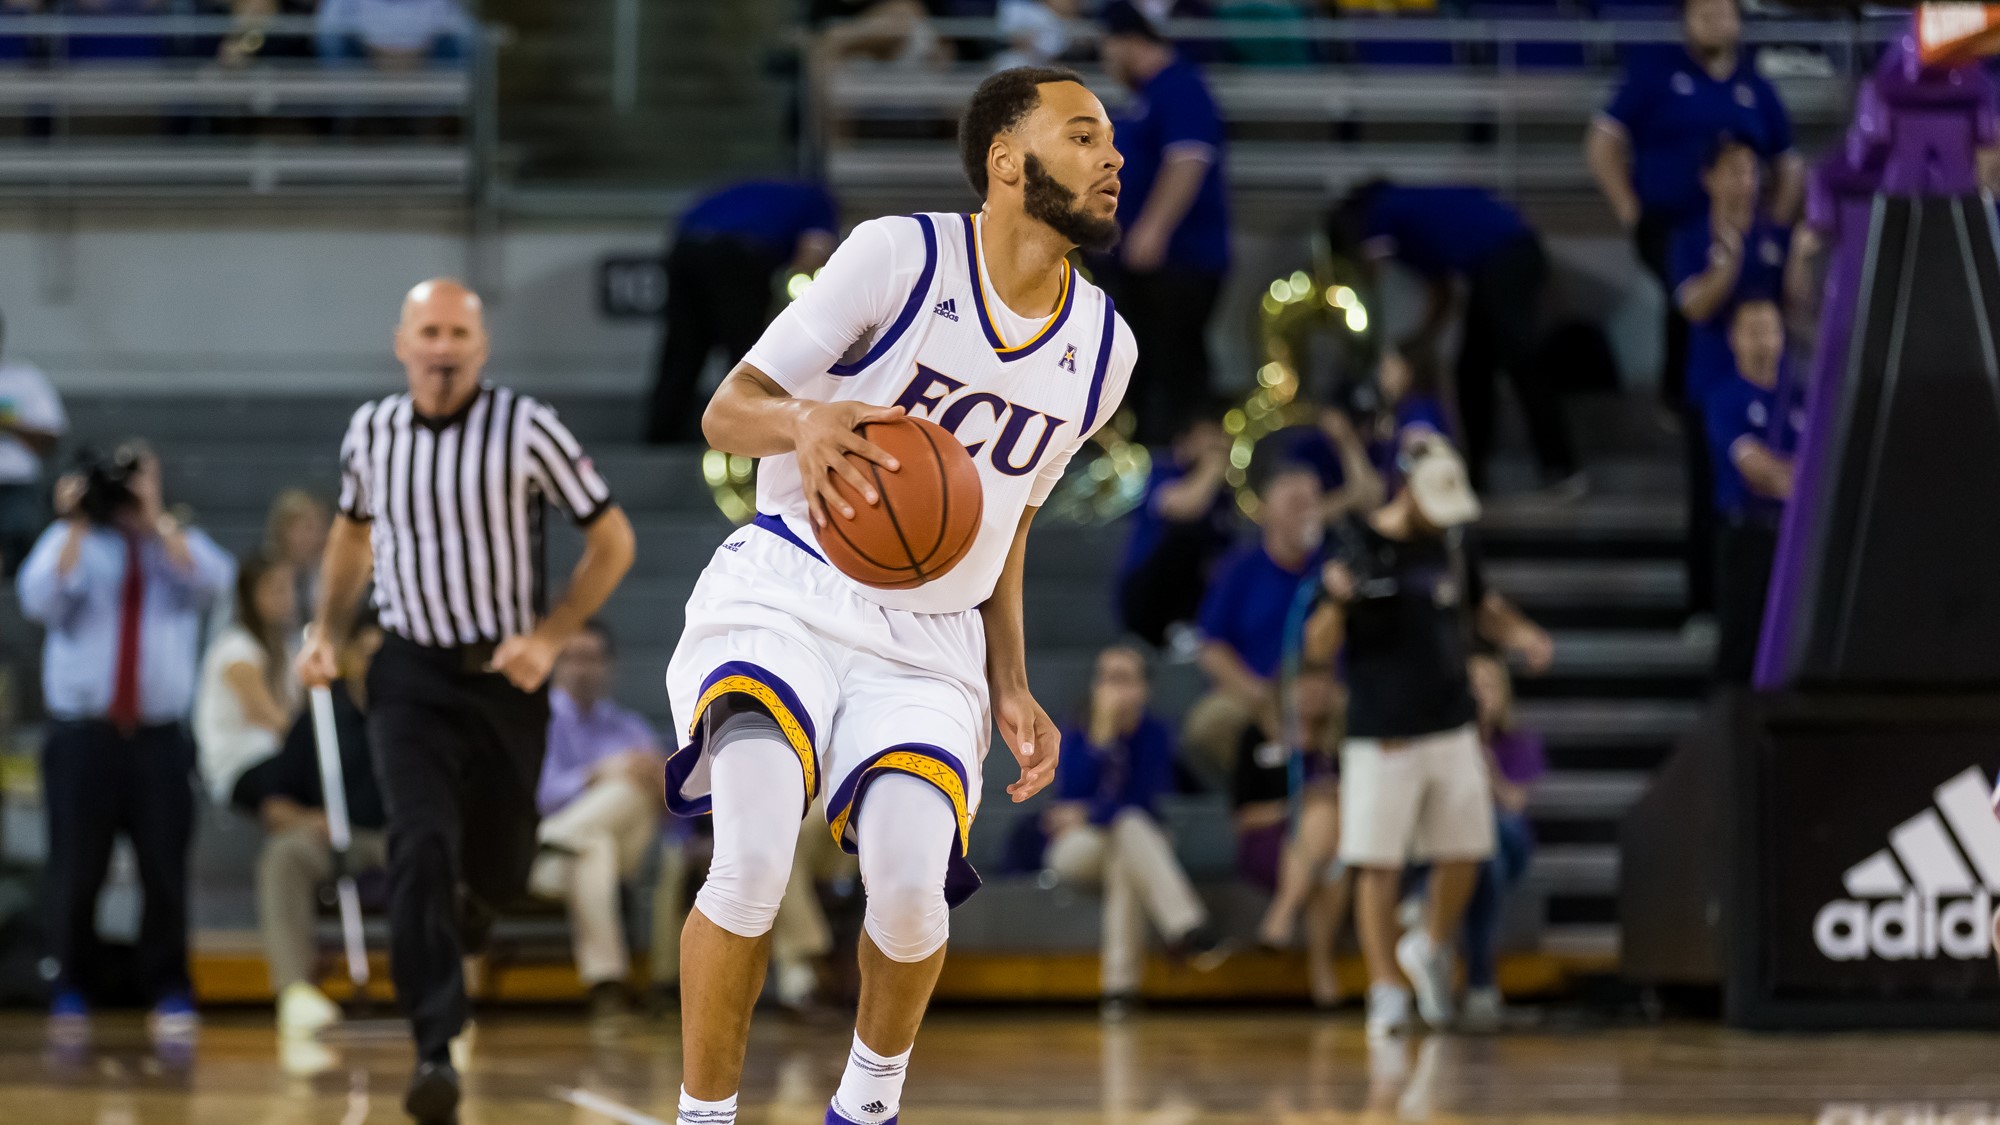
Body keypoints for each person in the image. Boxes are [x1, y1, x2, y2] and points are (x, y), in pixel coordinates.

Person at [664, 66, 1133, 1125]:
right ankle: (703, 1117)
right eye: (1083, 135)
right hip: (790, 584)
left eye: (1111, 140)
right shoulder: (897, 255)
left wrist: (1008, 680)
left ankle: (864, 1108)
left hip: (931, 639)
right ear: (1008, 162)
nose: (1112, 158)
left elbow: (1009, 515)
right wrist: (802, 424)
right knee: (748, 847)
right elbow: (726, 410)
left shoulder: (1106, 348)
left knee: (915, 894)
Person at [295, 278, 636, 1124]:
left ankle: (482, 904)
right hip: (409, 671)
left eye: (457, 333)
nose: (442, 347)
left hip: (505, 674)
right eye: (429, 332)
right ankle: (434, 1045)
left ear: (480, 348)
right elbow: (350, 533)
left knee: (502, 856)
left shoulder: (527, 428)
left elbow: (612, 538)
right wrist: (325, 630)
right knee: (418, 842)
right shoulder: (371, 432)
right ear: (402, 342)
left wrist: (553, 636)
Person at [1306, 434, 1551, 1036]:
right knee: (1379, 862)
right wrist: (1337, 603)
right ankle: (1385, 985)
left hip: (1452, 721)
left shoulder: (1453, 541)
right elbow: (1317, 646)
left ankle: (1430, 942)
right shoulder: (1359, 542)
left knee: (1468, 846)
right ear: (1406, 489)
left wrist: (1522, 635)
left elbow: (1481, 604)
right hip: (1383, 732)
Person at [16, 441, 234, 1043]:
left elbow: (216, 582)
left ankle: (167, 987)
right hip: (84, 738)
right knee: (76, 868)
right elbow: (38, 598)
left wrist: (155, 516)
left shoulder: (173, 545)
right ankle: (70, 986)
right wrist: (75, 523)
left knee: (163, 868)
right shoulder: (75, 546)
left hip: (158, 740)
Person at [1586, 0, 1802, 415]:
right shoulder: (1655, 73)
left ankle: (1750, 401)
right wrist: (1630, 211)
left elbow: (1789, 164)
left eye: (1723, 13)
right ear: (1685, 21)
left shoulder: (1755, 88)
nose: (1714, 23)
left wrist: (1776, 223)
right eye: (1703, 14)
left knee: (1749, 301)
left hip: (1740, 224)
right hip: (1671, 221)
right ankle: (1683, 398)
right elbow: (1601, 142)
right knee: (1691, 290)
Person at [1329, 181, 1579, 494]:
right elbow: (1442, 293)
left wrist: (1394, 346)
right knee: (1472, 369)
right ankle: (1476, 476)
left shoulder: (1382, 212)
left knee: (1520, 359)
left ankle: (1560, 467)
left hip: (1509, 256)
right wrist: (1418, 341)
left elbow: (1370, 273)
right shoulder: (1411, 218)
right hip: (1496, 263)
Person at [230, 613, 389, 1038]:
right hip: (339, 837)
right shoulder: (320, 714)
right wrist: (306, 819)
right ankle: (295, 991)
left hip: (401, 837)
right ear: (350, 657)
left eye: (384, 656)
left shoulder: (413, 717)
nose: (374, 665)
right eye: (366, 654)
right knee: (285, 855)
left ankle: (447, 992)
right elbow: (274, 803)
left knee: (443, 852)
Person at [1045, 644, 1224, 1007]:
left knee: (1125, 853)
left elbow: (1145, 800)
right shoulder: (1078, 731)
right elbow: (1069, 793)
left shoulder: (1156, 735)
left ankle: (1119, 990)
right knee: (1126, 827)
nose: (1114, 688)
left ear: (1144, 689)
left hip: (1132, 842)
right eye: (1106, 678)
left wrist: (1090, 812)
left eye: (1124, 679)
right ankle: (1187, 924)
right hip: (1079, 848)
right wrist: (1103, 738)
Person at [1671, 133, 1790, 641]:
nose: (1745, 181)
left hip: (1771, 389)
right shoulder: (1690, 238)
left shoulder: (1774, 235)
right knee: (1709, 500)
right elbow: (1694, 305)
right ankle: (1703, 606)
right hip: (1713, 385)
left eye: (1751, 169)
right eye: (1733, 170)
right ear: (1709, 178)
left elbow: (1796, 305)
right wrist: (1727, 261)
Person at [1097, 0, 1229, 444]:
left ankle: (1178, 466)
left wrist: (1154, 229)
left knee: (1176, 372)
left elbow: (1188, 158)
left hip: (1181, 263)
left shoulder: (1180, 86)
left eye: (1108, 49)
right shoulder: (1149, 95)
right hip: (1151, 267)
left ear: (1128, 43)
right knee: (1149, 367)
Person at [526, 620, 665, 1022]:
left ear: (610, 667)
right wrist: (603, 771)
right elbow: (538, 796)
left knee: (635, 797)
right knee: (596, 846)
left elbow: (671, 808)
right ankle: (623, 989)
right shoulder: (539, 721)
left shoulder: (629, 726)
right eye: (572, 658)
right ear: (556, 664)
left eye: (592, 659)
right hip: (544, 864)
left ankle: (614, 990)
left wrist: (657, 781)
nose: (582, 668)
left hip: (622, 853)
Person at [646, 181, 841, 444]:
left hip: (686, 249)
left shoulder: (751, 193)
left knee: (683, 349)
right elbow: (814, 252)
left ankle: (662, 436)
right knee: (747, 354)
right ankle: (743, 437)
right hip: (739, 256)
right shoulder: (819, 202)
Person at [1184, 464, 1325, 773]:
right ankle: (1256, 801)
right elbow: (1211, 648)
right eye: (1295, 503)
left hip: (1322, 693)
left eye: (1313, 503)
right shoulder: (1239, 569)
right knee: (1210, 722)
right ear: (1269, 510)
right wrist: (1260, 695)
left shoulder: (1332, 569)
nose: (1308, 513)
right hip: (1254, 690)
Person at [1237, 668, 1351, 1009]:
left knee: (1330, 837)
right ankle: (1321, 970)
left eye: (1322, 682)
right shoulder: (1259, 737)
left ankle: (1282, 915)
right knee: (1323, 834)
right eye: (1306, 683)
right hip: (1268, 841)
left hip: (1331, 842)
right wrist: (1294, 807)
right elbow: (1242, 815)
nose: (1313, 692)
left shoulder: (1344, 742)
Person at [1703, 299, 1800, 683]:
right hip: (1747, 535)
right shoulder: (1724, 398)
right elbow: (1756, 471)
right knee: (1741, 644)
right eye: (1753, 330)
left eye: (1770, 329)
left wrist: (1790, 475)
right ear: (1735, 338)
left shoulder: (1801, 397)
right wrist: (1796, 475)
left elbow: (1826, 466)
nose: (1763, 340)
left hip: (1796, 535)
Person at [1458, 653, 1542, 1033]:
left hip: (1505, 843)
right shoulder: (1441, 747)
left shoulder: (1518, 741)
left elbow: (1516, 802)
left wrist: (1485, 766)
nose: (1480, 696)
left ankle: (1425, 908)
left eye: (1488, 687)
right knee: (1485, 868)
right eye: (1472, 687)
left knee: (1494, 831)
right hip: (1460, 852)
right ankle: (1481, 986)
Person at [1114, 404, 1237, 649]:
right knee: (1185, 534)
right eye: (1207, 437)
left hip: (1197, 596)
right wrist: (1212, 469)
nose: (1217, 445)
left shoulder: (1220, 493)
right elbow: (1181, 508)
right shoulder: (1164, 470)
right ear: (1185, 441)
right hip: (1144, 599)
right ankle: (1178, 624)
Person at [195, 553, 301, 807]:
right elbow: (268, 716)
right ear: (251, 596)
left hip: (273, 758)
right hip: (239, 764)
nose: (287, 598)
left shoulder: (287, 649)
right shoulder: (235, 649)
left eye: (289, 588)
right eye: (276, 589)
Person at [0, 310, 67, 575]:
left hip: (17, 484)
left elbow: (51, 437)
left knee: (21, 539)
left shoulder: (26, 379)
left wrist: (8, 425)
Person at [316, 0, 473, 68]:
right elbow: (329, 29)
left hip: (427, 66)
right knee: (331, 36)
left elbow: (460, 30)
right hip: (363, 67)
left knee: (468, 38)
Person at [265, 489, 331, 612]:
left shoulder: (319, 574)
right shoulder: (263, 574)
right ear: (283, 530)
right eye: (306, 528)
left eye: (317, 528)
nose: (314, 537)